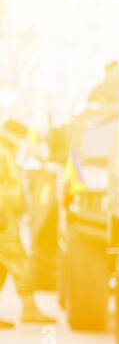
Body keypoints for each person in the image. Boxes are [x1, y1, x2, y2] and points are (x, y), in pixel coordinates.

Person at [0, 119, 54, 327]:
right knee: (22, 264)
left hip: (6, 218)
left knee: (3, 269)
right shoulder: (3, 153)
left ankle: (29, 309)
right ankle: (29, 309)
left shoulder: (7, 152)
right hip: (3, 221)